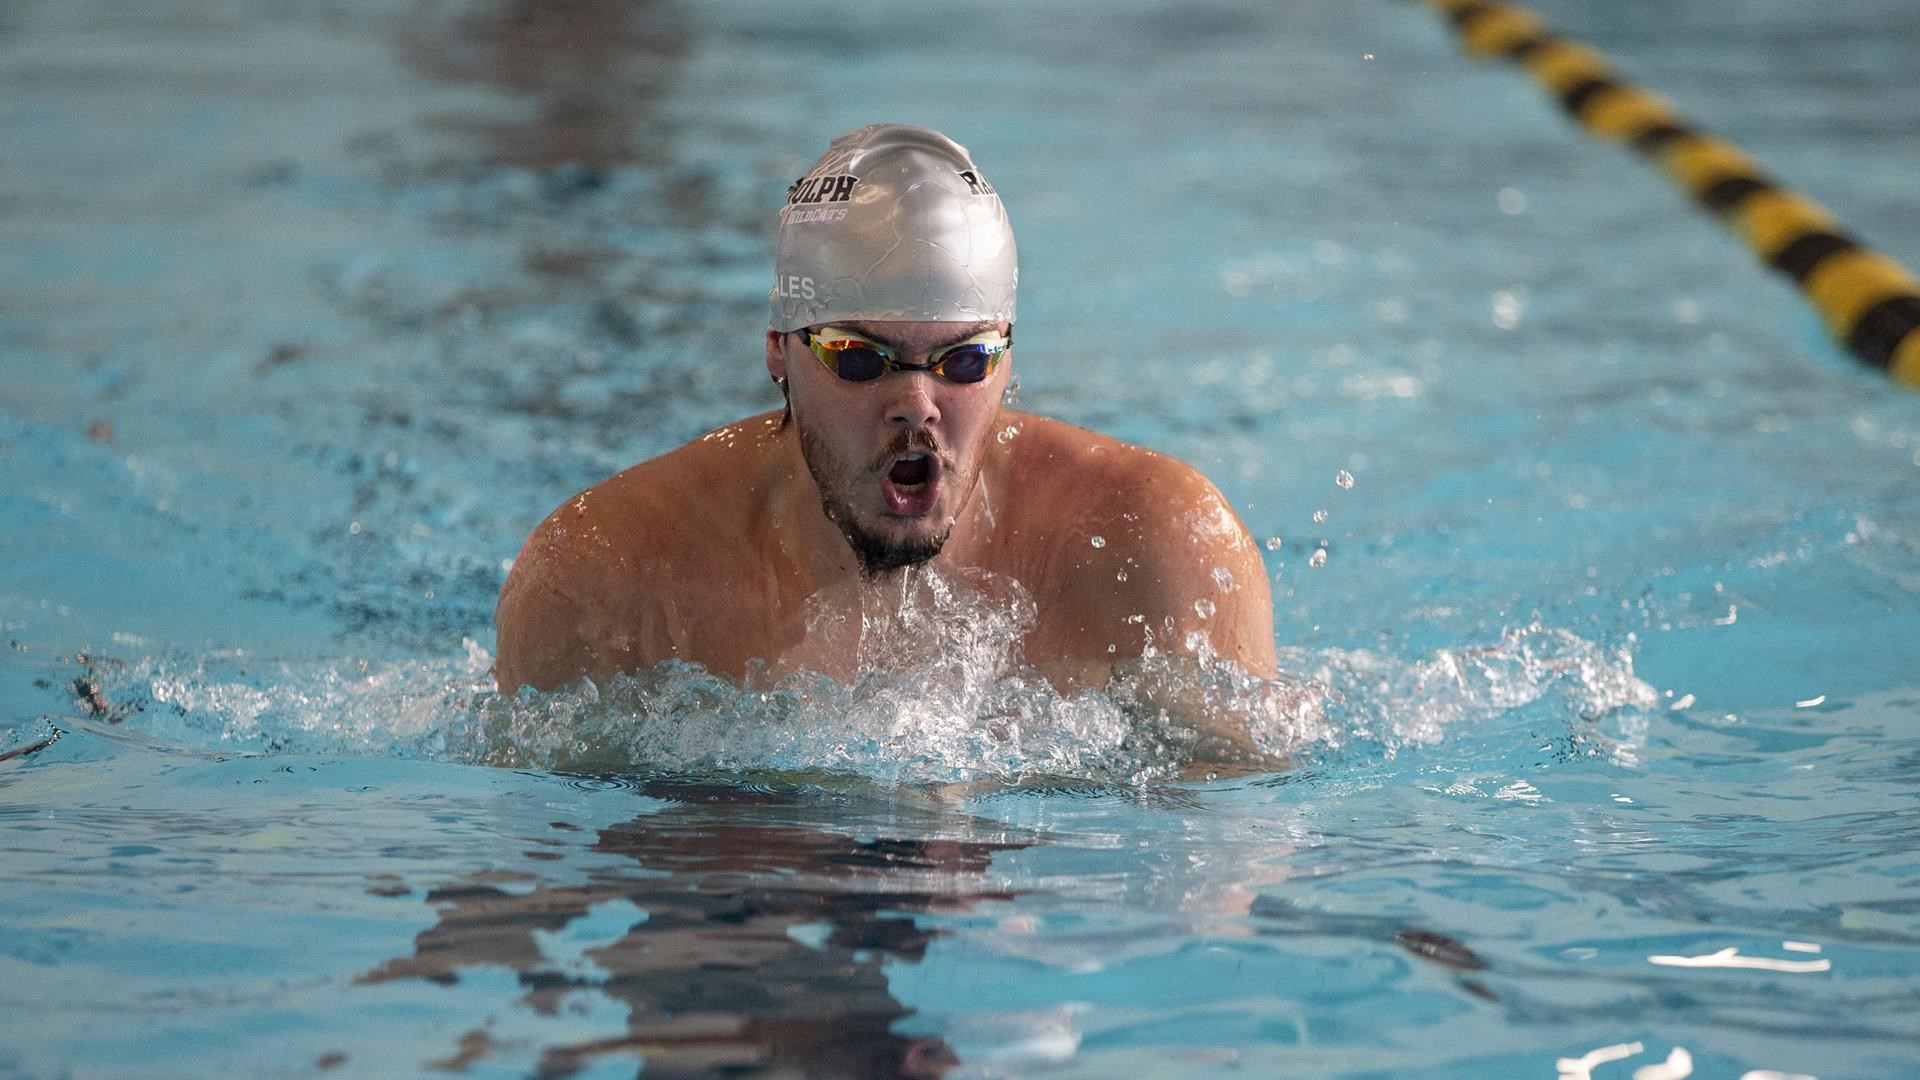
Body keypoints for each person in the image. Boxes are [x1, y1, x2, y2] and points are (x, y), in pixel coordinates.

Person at [495, 124, 1278, 759]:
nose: (916, 405)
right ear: (778, 349)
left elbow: (1234, 861)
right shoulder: (603, 578)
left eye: (964, 361)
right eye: (860, 358)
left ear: (1010, 356)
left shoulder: (1163, 545)